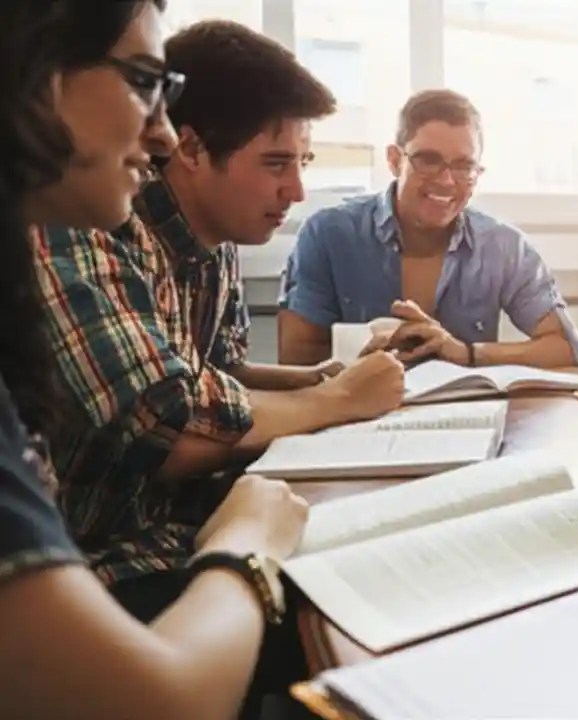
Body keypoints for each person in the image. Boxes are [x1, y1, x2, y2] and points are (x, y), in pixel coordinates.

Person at [0, 2, 310, 718]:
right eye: (144, 81)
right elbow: (153, 700)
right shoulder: (75, 233)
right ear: (29, 65)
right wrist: (246, 544)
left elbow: (220, 373)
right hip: (121, 565)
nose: (163, 132)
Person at [32, 19, 405, 591]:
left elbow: (220, 372)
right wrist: (339, 398)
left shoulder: (218, 239)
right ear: (192, 149)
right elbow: (172, 433)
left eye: (302, 164)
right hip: (101, 562)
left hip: (183, 524)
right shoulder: (89, 223)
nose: (297, 192)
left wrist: (316, 376)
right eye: (276, 164)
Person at [278, 89, 578, 369]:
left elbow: (567, 349)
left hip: (466, 420)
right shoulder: (328, 234)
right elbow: (295, 358)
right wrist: (365, 357)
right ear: (394, 159)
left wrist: (465, 353)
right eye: (428, 160)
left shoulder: (504, 246)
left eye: (464, 166)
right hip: (354, 417)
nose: (446, 180)